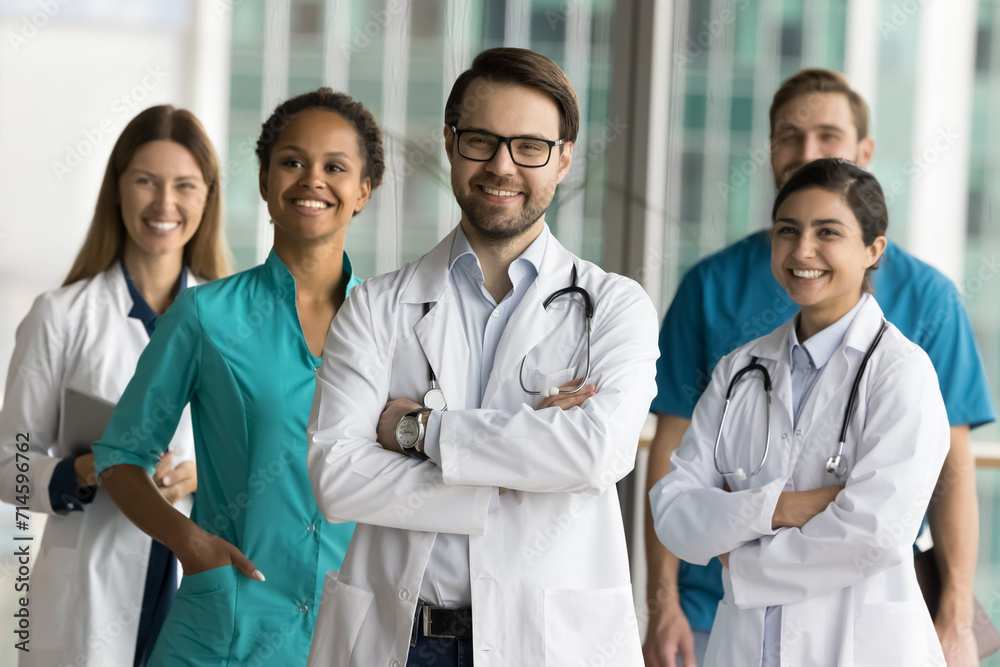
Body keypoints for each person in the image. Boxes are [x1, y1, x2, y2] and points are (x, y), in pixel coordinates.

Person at [304, 47, 659, 667]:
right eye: (481, 141)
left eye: (529, 146)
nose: (502, 165)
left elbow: (599, 450)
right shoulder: (376, 307)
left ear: (564, 157)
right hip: (403, 637)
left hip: (550, 644)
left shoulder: (614, 307)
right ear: (450, 142)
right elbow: (337, 478)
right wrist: (516, 472)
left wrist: (419, 430)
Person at [642, 69, 995, 667]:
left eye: (827, 233)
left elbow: (875, 533)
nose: (802, 251)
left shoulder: (904, 371)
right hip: (735, 638)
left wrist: (738, 550)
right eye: (788, 232)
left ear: (872, 249)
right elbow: (673, 509)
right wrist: (785, 508)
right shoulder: (739, 368)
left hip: (857, 643)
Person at [91, 88, 383, 666]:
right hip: (224, 631)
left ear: (362, 192)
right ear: (265, 181)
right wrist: (188, 541)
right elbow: (119, 456)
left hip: (350, 635)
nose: (311, 180)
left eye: (335, 168)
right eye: (292, 162)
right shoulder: (206, 317)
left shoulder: (390, 324)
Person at [0, 105, 228, 666]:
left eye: (184, 185)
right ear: (118, 189)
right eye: (145, 181)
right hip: (87, 598)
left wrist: (206, 476)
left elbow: (278, 461)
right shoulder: (60, 316)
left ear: (207, 198)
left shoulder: (232, 323)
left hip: (196, 588)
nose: (164, 204)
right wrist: (82, 470)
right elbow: (8, 461)